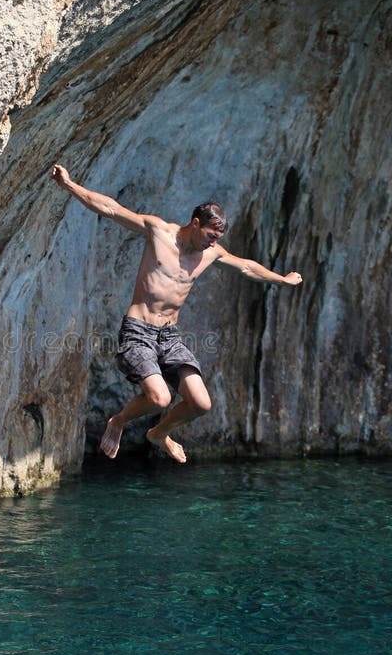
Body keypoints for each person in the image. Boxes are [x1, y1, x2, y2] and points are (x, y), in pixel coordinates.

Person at [51, 164, 302, 464]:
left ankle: (159, 434)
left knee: (200, 403)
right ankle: (118, 421)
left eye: (217, 238)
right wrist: (69, 185)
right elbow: (111, 209)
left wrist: (281, 280)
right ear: (195, 223)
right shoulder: (159, 232)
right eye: (210, 235)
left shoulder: (210, 253)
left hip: (170, 337)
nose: (213, 243)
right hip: (138, 331)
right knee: (160, 398)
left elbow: (247, 267)